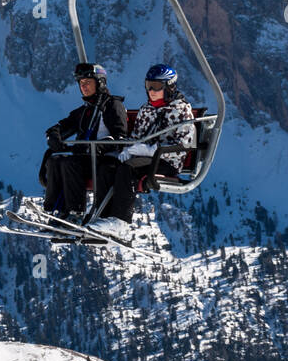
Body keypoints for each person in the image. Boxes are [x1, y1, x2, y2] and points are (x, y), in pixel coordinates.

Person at [88, 64, 196, 241]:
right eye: (148, 86)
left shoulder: (181, 110)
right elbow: (136, 136)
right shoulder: (147, 109)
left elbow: (183, 143)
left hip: (167, 161)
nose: (151, 91)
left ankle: (120, 221)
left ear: (170, 86)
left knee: (128, 169)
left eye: (157, 87)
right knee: (108, 166)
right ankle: (102, 217)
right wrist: (129, 149)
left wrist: (149, 150)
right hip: (144, 157)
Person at [39, 62, 127, 222]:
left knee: (69, 163)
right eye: (81, 83)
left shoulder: (113, 106)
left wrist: (101, 146)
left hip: (104, 159)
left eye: (88, 83)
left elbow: (120, 136)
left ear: (100, 83)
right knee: (55, 160)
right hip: (85, 158)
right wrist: (54, 135)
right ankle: (54, 210)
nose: (84, 87)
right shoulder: (85, 110)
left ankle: (75, 212)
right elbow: (63, 126)